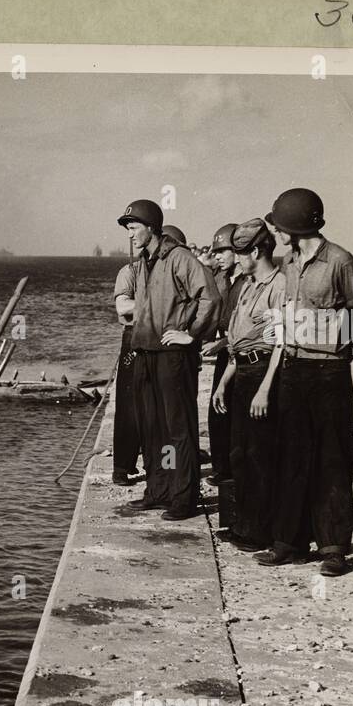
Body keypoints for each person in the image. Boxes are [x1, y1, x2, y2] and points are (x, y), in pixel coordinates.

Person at [254, 188, 353, 576]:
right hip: (294, 369)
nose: (275, 232)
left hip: (330, 373)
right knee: (290, 458)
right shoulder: (289, 263)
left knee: (332, 460)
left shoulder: (340, 262)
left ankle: (334, 548)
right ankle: (289, 542)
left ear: (295, 225)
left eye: (279, 225)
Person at [115, 199, 218, 520]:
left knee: (178, 429)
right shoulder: (145, 261)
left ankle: (184, 498)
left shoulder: (179, 258)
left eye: (133, 228)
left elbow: (210, 296)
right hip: (145, 354)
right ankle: (158, 491)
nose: (130, 235)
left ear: (150, 227)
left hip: (172, 357)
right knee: (152, 429)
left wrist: (193, 334)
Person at [212, 218, 286, 551]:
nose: (237, 259)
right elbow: (236, 341)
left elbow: (281, 345)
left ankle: (260, 530)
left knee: (260, 455)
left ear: (255, 251)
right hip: (241, 372)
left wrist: (265, 389)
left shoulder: (278, 286)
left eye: (240, 253)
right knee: (239, 453)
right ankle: (243, 524)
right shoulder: (248, 286)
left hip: (260, 375)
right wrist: (224, 382)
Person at [204, 224, 241, 485]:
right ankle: (221, 468)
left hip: (242, 354)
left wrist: (220, 343)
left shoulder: (249, 282)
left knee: (236, 415)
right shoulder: (220, 278)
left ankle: (233, 469)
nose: (217, 256)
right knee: (217, 413)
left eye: (222, 251)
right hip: (224, 353)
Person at [111, 259, 142, 485]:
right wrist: (159, 301)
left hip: (162, 336)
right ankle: (122, 467)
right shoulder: (130, 272)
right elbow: (122, 308)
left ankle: (163, 463)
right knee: (128, 404)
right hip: (134, 335)